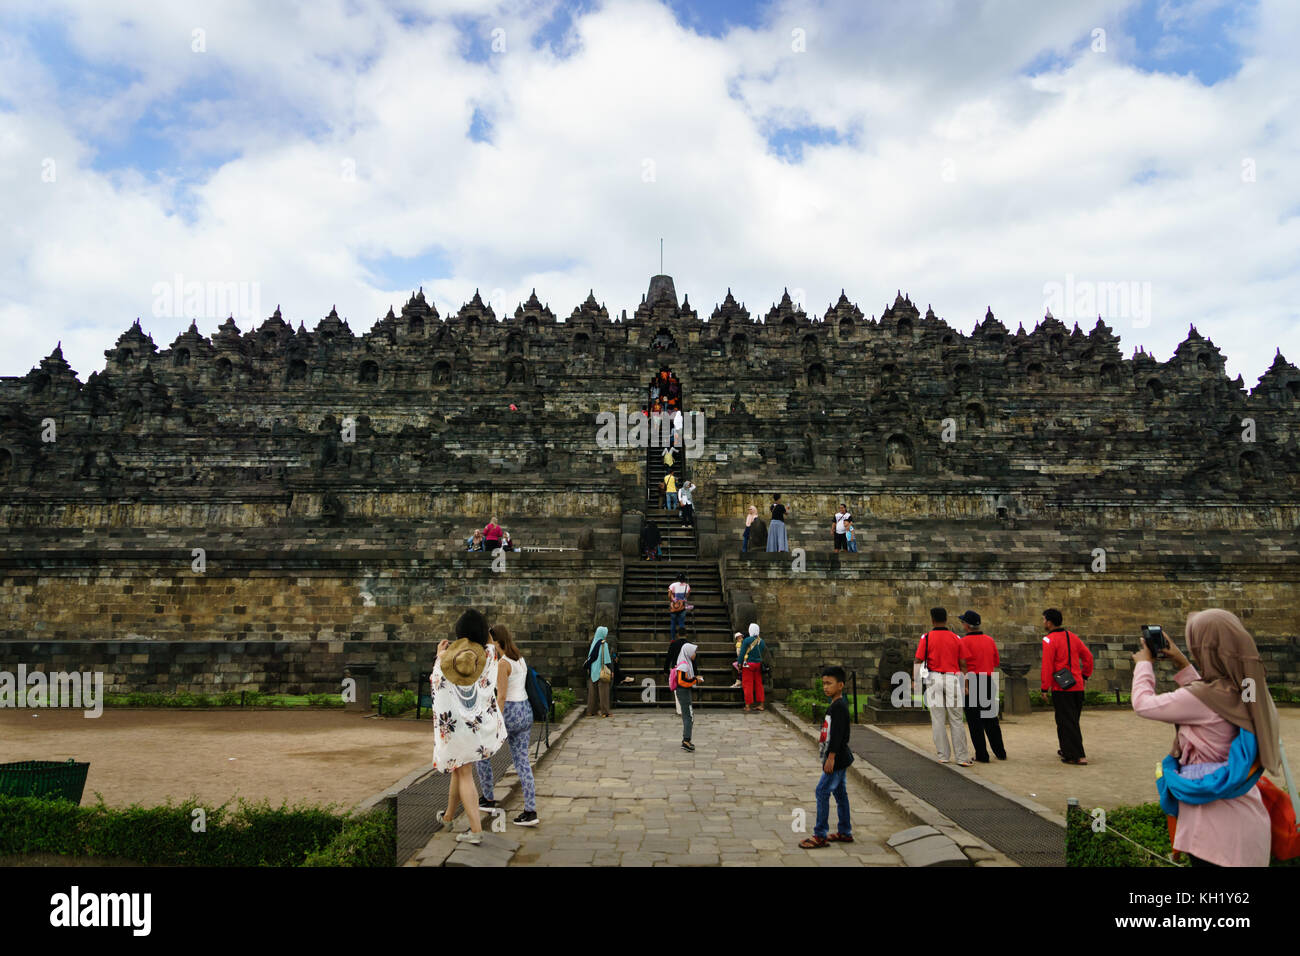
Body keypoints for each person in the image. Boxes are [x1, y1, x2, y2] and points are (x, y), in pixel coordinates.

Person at [1132, 610, 1282, 867]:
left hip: (1214, 832)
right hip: (1246, 822)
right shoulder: (1250, 689)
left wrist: (1143, 664)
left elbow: (1143, 704)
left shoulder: (1202, 699)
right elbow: (1214, 704)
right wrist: (1182, 664)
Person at [430, 609, 507, 846]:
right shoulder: (490, 654)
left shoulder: (446, 662)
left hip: (457, 731)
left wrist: (440, 655)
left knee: (463, 773)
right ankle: (448, 817)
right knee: (460, 770)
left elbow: (436, 684)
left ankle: (475, 829)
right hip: (479, 727)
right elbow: (490, 643)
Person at [474, 624, 539, 826]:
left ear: (497, 641)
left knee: (483, 752)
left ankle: (488, 797)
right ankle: (530, 810)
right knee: (522, 762)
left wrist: (496, 720)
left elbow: (501, 696)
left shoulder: (503, 663)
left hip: (510, 711)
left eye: (489, 641)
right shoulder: (520, 659)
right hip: (525, 710)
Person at [800, 665, 854, 848]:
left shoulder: (838, 707)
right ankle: (845, 831)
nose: (825, 687)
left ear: (840, 685)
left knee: (822, 791)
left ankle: (820, 834)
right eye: (823, 683)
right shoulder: (836, 705)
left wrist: (830, 757)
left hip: (836, 758)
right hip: (838, 756)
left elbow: (838, 735)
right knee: (840, 794)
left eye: (829, 683)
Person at [914, 607, 972, 766]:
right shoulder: (956, 638)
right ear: (946, 619)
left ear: (932, 620)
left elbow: (918, 661)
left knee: (938, 719)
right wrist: (965, 684)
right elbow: (963, 664)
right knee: (956, 719)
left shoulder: (926, 638)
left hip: (933, 678)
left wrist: (916, 683)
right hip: (953, 678)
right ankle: (961, 757)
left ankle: (943, 755)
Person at [1040, 608, 1094, 765]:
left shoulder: (1049, 640)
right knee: (1071, 720)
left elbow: (1047, 665)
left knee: (1066, 722)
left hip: (1062, 687)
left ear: (1049, 622)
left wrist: (1045, 687)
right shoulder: (1072, 637)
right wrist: (1084, 675)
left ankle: (1077, 755)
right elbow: (1088, 657)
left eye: (1044, 620)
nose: (1043, 623)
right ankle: (1067, 749)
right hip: (1077, 685)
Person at [957, 610, 1005, 762]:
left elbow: (961, 664)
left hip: (971, 681)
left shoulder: (963, 642)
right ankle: (1000, 752)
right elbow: (996, 662)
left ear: (967, 625)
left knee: (974, 720)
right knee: (991, 718)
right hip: (988, 680)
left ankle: (982, 754)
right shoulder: (989, 640)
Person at [672, 642, 703, 751]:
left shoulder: (685, 662)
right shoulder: (684, 664)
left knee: (688, 715)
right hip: (683, 691)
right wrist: (695, 680)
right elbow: (682, 681)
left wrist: (694, 678)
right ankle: (686, 740)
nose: (695, 654)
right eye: (694, 651)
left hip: (685, 691)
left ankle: (686, 739)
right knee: (688, 716)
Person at [584, 625, 613, 717]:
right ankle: (605, 712)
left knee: (593, 693)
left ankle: (591, 711)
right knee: (603, 692)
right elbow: (607, 660)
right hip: (601, 670)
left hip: (593, 671)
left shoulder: (593, 643)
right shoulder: (603, 644)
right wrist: (611, 670)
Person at [739, 622, 767, 712]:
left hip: (748, 665)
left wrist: (739, 663)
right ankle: (761, 704)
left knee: (748, 684)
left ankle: (748, 705)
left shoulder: (747, 640)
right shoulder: (761, 641)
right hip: (758, 664)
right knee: (759, 684)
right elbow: (762, 652)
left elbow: (742, 653)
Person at [668, 572, 690, 640]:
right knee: (681, 623)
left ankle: (672, 639)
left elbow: (669, 595)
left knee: (673, 623)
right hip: (682, 607)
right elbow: (687, 596)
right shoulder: (687, 586)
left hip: (674, 607)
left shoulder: (672, 585)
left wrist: (672, 601)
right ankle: (682, 638)